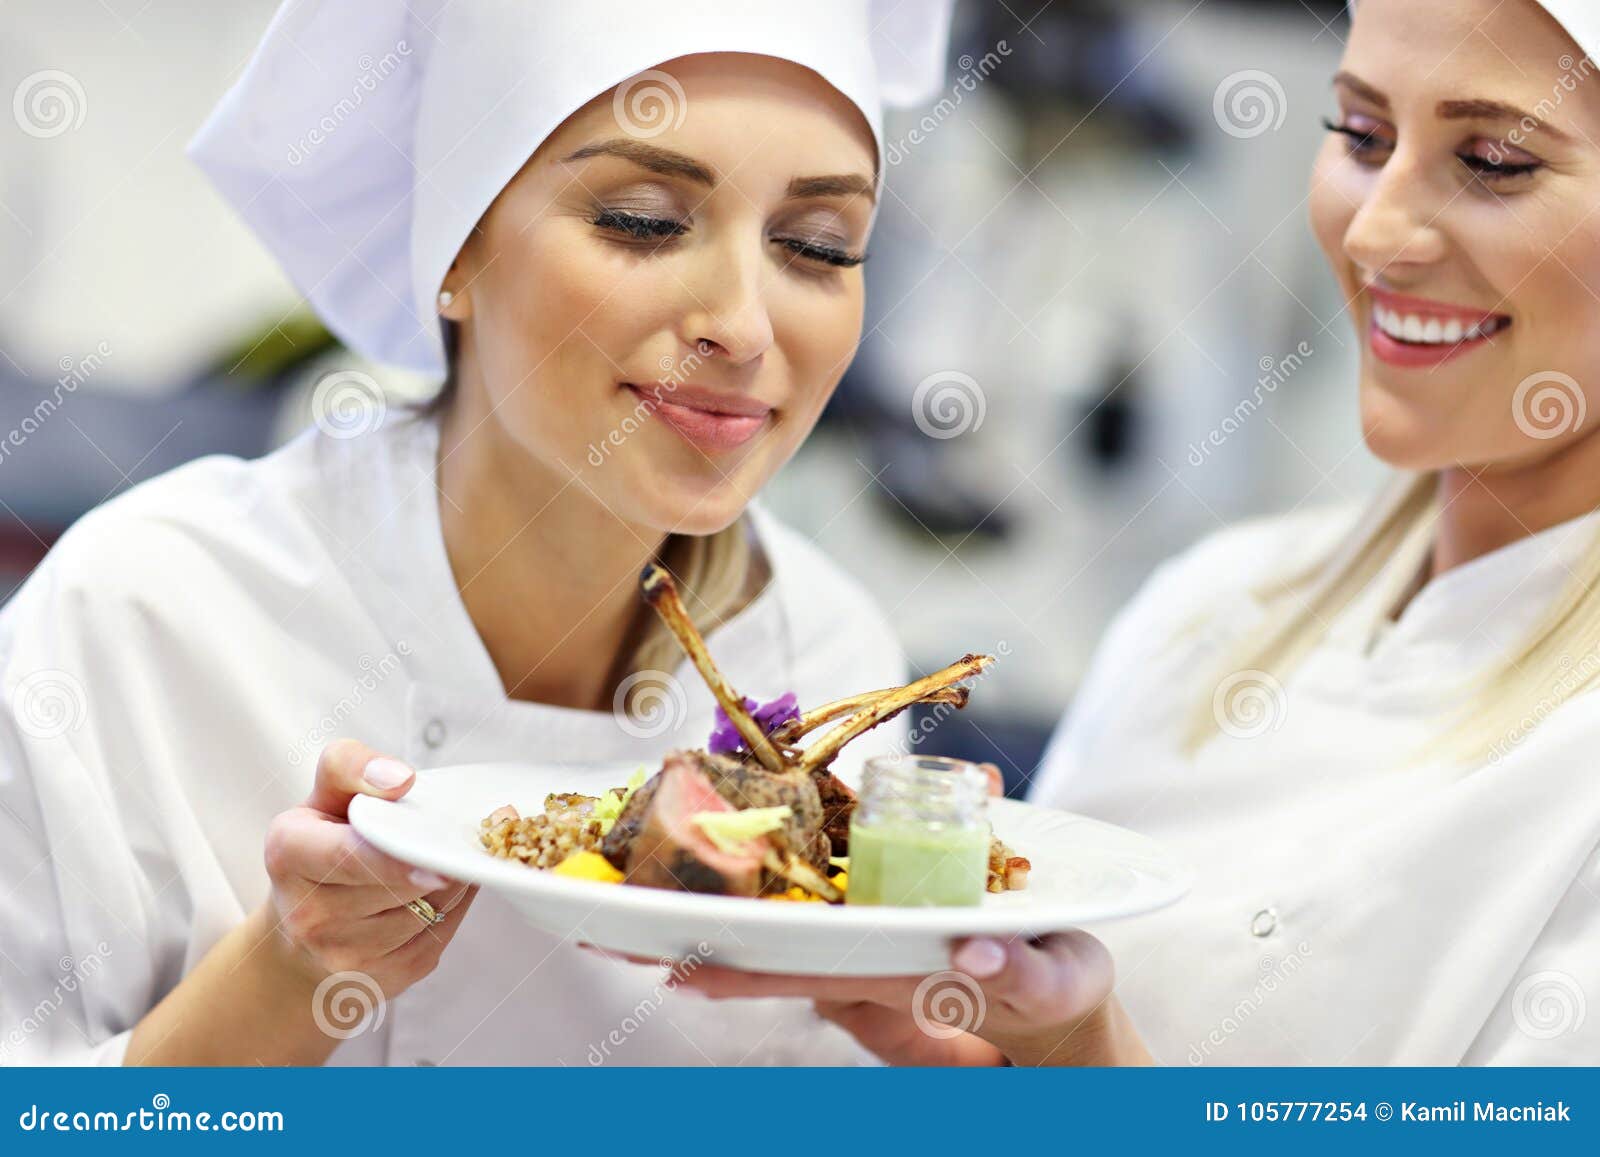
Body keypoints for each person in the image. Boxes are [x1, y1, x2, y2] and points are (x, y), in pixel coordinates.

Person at [0, 0, 962, 1066]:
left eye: (816, 244)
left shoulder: (825, 650)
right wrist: (285, 976)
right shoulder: (143, 613)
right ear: (453, 250)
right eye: (643, 219)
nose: (741, 324)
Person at [678, 0, 1600, 1066]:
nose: (1375, 230)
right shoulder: (1212, 605)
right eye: (1359, 136)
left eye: (1491, 160)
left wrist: (1086, 1056)